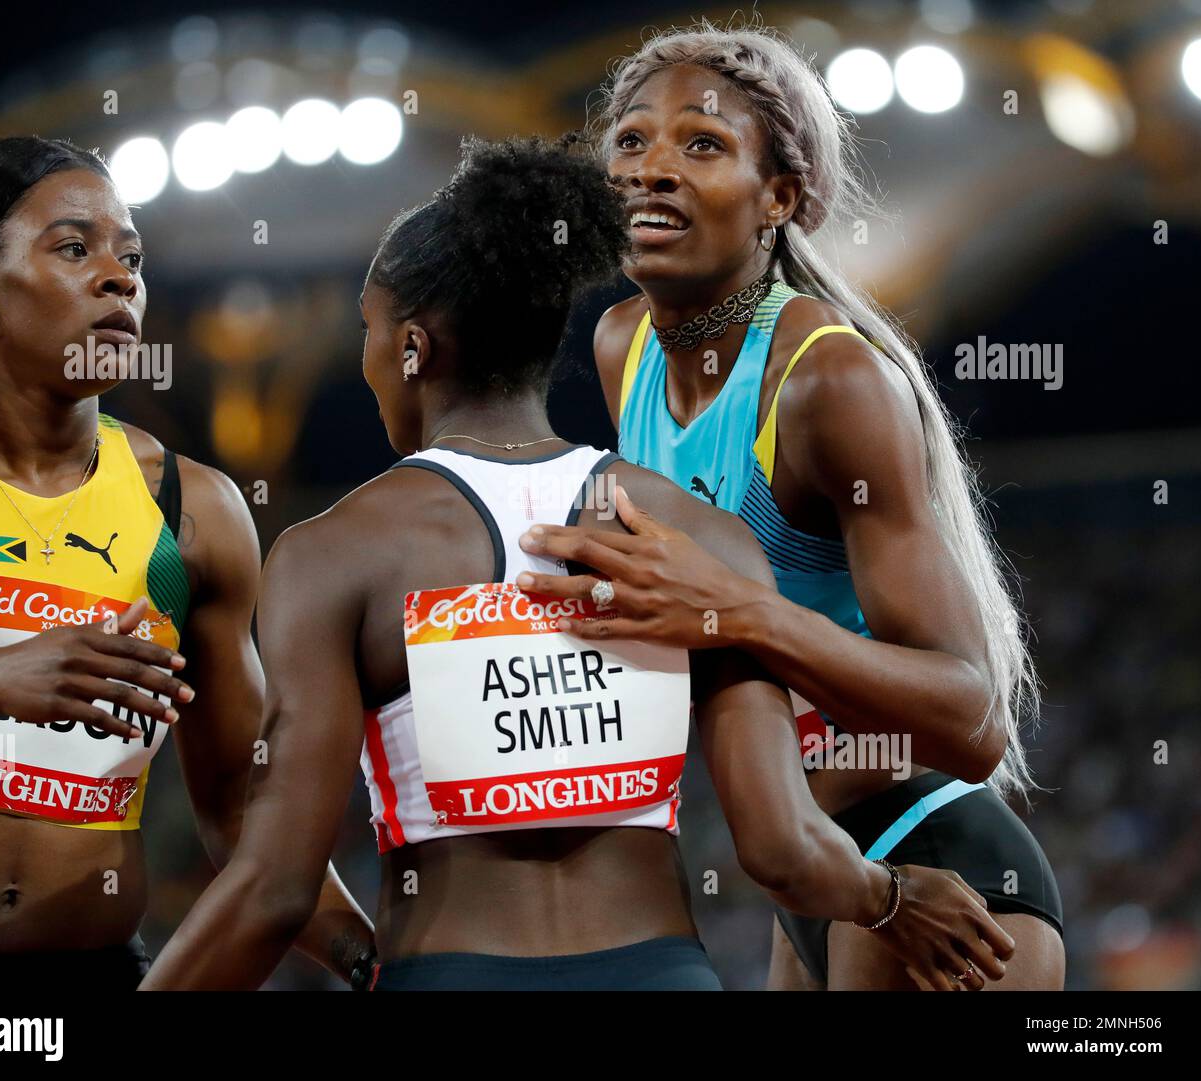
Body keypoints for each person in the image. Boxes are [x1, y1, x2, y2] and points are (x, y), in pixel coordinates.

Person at [141, 136, 1014, 992]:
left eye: (370, 333)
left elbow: (275, 886)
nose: (368, 363)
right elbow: (784, 848)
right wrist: (892, 897)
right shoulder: (697, 540)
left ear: (412, 348)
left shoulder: (333, 555)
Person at [512, 23, 1064, 990]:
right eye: (632, 141)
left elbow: (973, 720)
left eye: (703, 145)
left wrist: (732, 608)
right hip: (812, 870)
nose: (652, 169)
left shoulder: (827, 382)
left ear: (781, 198)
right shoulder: (621, 346)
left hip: (932, 858)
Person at [0, 136, 371, 989]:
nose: (121, 278)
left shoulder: (194, 513)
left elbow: (243, 820)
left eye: (133, 257)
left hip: (98, 970)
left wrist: (370, 957)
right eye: (75, 248)